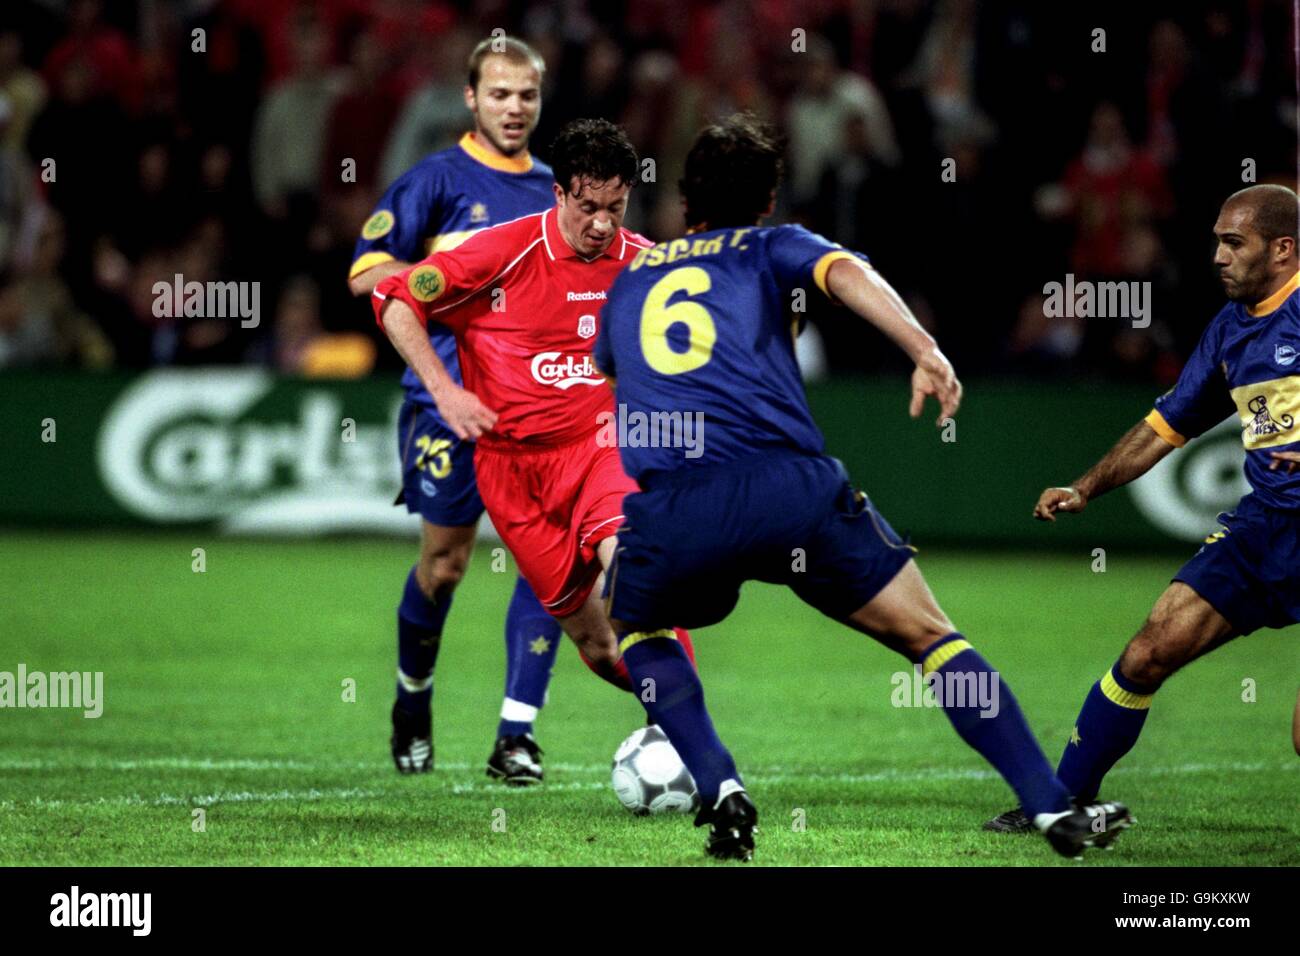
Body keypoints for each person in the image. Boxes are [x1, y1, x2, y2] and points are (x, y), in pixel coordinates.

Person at [594, 114, 1132, 861]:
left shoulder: (628, 284)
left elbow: (617, 373)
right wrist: (923, 347)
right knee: (931, 637)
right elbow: (845, 273)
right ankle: (1048, 807)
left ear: (684, 203)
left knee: (639, 628)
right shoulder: (770, 244)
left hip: (677, 507)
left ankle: (721, 789)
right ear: (770, 198)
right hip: (791, 493)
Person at [987, 184, 1300, 832]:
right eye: (1217, 239)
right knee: (1149, 650)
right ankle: (1061, 803)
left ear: (1283, 249)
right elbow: (1165, 425)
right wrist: (1088, 486)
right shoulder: (1231, 330)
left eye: (1233, 243)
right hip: (1266, 528)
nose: (1217, 255)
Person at [370, 117, 695, 720]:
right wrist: (444, 390)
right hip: (512, 471)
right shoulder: (501, 250)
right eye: (588, 206)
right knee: (599, 647)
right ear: (559, 193)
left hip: (604, 450)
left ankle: (700, 758)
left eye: (616, 207)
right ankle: (673, 715)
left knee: (633, 580)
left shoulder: (650, 267)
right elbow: (393, 299)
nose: (602, 224)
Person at [348, 36, 562, 783]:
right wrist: (455, 278)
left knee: (547, 562)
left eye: (527, 95)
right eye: (499, 94)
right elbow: (367, 276)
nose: (514, 108)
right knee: (444, 566)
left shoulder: (554, 189)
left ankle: (515, 736)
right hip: (443, 403)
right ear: (471, 98)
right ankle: (412, 699)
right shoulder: (433, 182)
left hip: (533, 409)